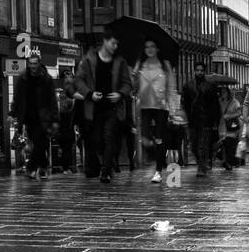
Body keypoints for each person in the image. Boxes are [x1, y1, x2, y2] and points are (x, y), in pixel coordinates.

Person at [74, 28, 134, 184]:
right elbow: (78, 80)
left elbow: (128, 84)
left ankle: (105, 172)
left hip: (113, 109)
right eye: (113, 43)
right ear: (105, 42)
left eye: (117, 44)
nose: (115, 46)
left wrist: (120, 94)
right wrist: (89, 94)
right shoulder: (89, 59)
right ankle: (109, 164)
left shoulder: (119, 61)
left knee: (109, 138)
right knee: (97, 141)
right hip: (94, 109)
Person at [133, 39, 174, 184]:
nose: (149, 49)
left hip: (161, 106)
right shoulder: (141, 66)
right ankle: (158, 155)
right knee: (144, 138)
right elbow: (134, 86)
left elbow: (171, 88)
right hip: (144, 105)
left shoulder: (164, 65)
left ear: (157, 49)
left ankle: (158, 171)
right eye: (146, 47)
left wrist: (173, 109)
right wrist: (135, 72)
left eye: (152, 46)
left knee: (159, 138)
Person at [12, 55, 57, 181]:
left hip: (43, 117)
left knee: (39, 142)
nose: (32, 66)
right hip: (28, 117)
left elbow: (52, 100)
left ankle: (31, 168)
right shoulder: (22, 78)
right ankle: (43, 166)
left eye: (35, 63)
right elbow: (17, 97)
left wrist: (55, 119)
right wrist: (13, 113)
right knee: (37, 143)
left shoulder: (46, 79)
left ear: (39, 64)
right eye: (30, 63)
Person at [181, 63, 221, 178]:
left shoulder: (210, 86)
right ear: (194, 71)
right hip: (193, 120)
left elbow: (215, 106)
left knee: (202, 145)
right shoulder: (188, 86)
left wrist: (215, 122)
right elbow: (185, 103)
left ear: (204, 71)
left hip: (206, 120)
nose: (199, 72)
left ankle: (201, 167)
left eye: (201, 70)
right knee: (194, 145)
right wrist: (185, 118)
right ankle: (201, 163)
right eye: (197, 70)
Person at [218, 86, 243, 170]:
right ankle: (226, 161)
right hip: (221, 126)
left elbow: (239, 113)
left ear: (228, 92)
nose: (223, 94)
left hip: (232, 126)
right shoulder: (219, 101)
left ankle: (230, 162)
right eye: (221, 92)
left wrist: (229, 116)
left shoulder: (234, 102)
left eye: (224, 92)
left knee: (231, 144)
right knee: (223, 144)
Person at [56, 87, 77, 174]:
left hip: (60, 133)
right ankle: (66, 168)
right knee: (67, 151)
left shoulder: (59, 113)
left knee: (62, 149)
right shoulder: (71, 113)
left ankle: (63, 167)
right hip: (69, 133)